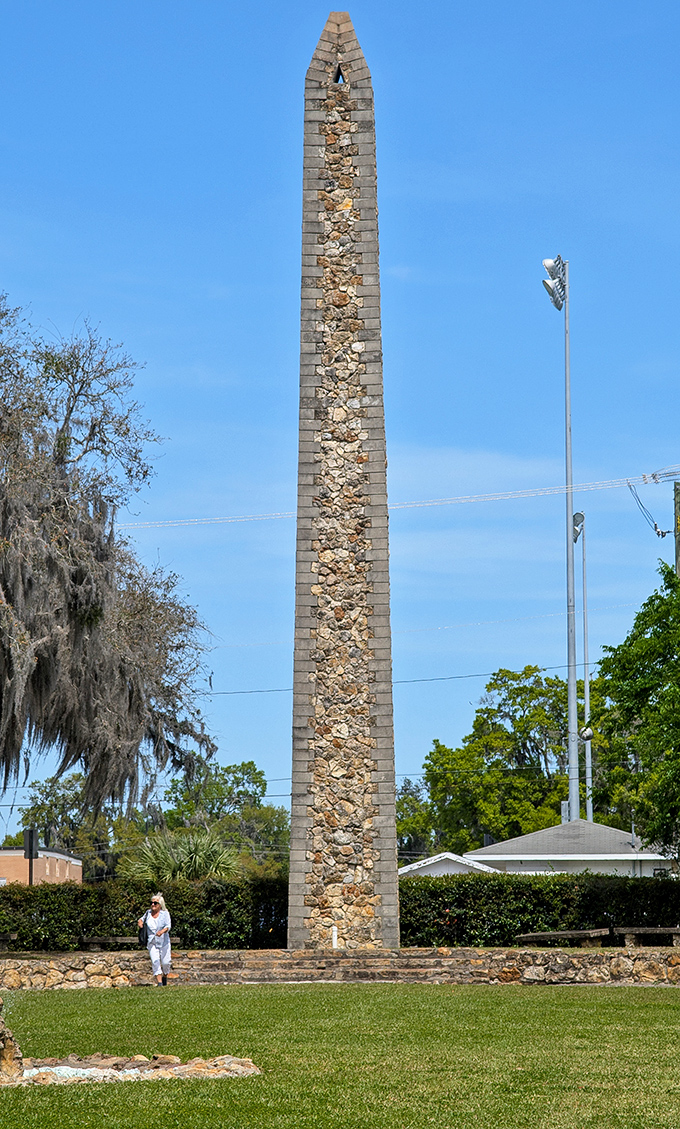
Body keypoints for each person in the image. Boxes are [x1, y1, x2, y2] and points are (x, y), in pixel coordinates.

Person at [138, 893, 172, 987]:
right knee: (155, 961)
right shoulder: (148, 913)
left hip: (163, 941)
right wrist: (140, 922)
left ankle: (165, 976)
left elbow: (168, 926)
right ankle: (159, 982)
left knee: (166, 962)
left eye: (155, 903)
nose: (153, 905)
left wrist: (162, 931)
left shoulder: (165, 914)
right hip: (152, 941)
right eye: (151, 903)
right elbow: (141, 919)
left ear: (160, 905)